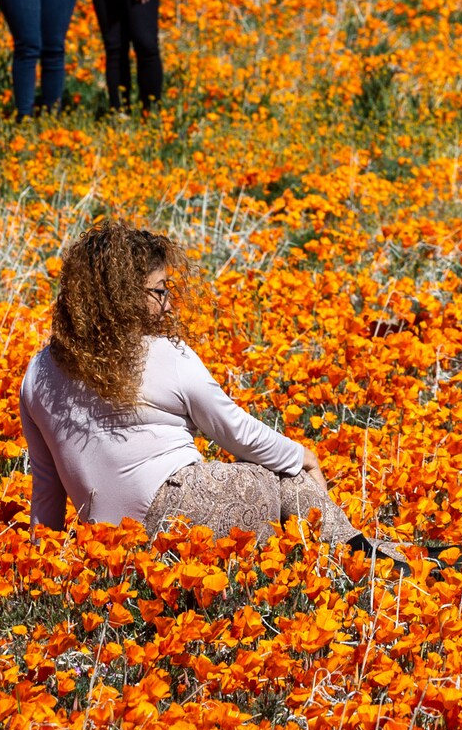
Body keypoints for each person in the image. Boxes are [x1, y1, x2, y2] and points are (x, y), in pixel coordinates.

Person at [20, 223, 378, 551]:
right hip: (178, 511)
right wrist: (302, 456)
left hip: (113, 544)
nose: (169, 303)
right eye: (160, 291)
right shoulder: (162, 354)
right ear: (123, 295)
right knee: (287, 476)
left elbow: (47, 489)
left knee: (282, 483)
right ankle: (360, 558)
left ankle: (362, 553)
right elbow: (234, 430)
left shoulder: (37, 373)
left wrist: (44, 563)